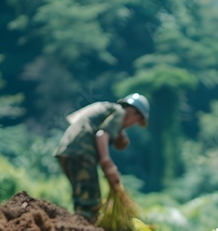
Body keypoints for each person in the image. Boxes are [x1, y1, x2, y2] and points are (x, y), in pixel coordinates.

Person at [54, 93, 150, 221]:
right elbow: (101, 135)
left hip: (67, 151)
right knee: (90, 201)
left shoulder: (105, 108)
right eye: (136, 121)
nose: (133, 124)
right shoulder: (120, 112)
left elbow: (76, 120)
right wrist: (107, 163)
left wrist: (118, 133)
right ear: (134, 113)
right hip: (82, 154)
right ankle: (83, 228)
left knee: (81, 196)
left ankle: (76, 225)